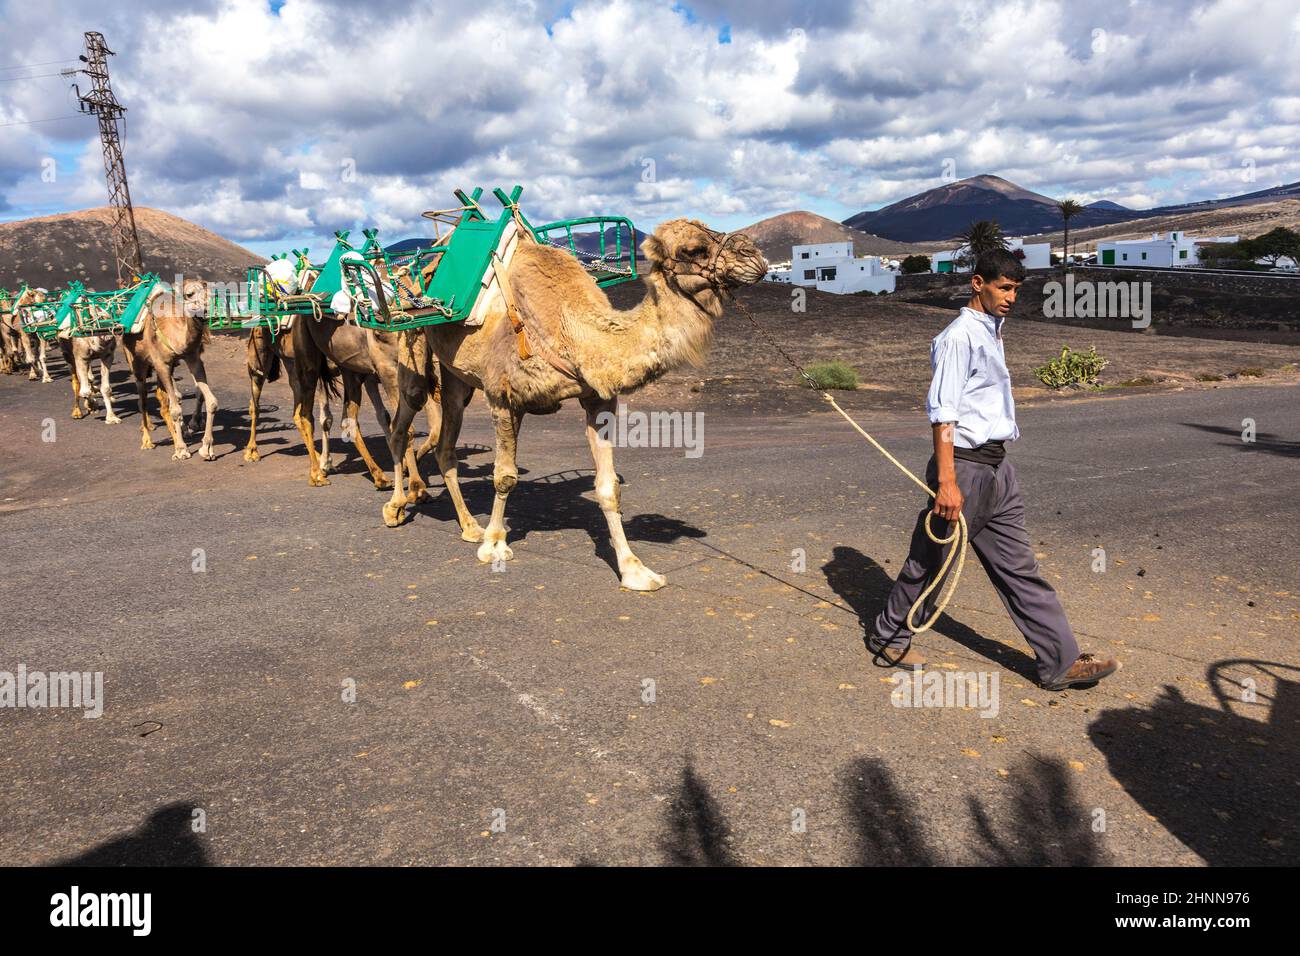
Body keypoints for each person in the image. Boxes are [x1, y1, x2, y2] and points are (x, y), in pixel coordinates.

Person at [867, 249, 1118, 691]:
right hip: (964, 468)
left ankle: (1060, 662)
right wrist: (946, 482)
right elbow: (943, 415)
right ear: (977, 284)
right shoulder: (959, 336)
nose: (1011, 297)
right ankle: (890, 635)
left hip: (998, 469)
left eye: (1016, 289)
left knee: (1020, 568)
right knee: (931, 562)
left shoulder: (992, 331)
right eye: (1004, 287)